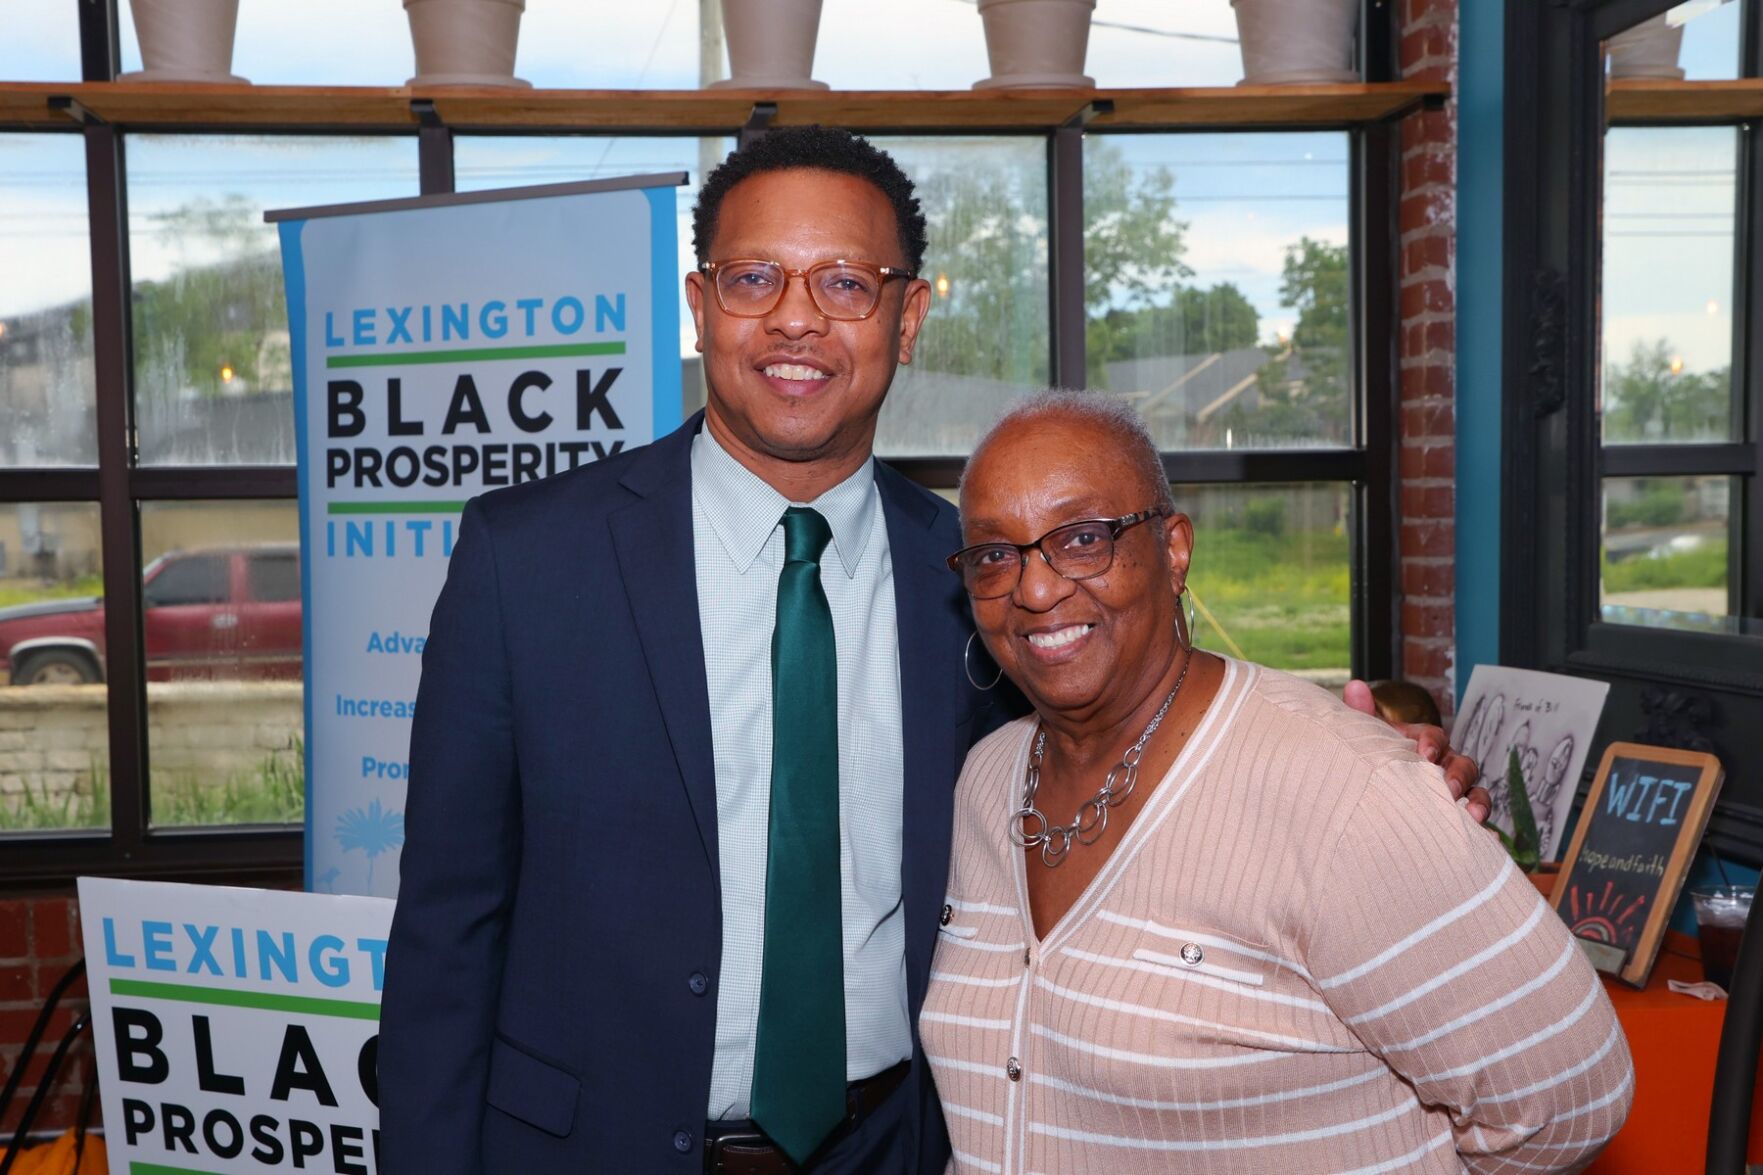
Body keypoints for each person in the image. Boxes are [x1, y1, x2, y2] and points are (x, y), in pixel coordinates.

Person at [379, 128, 1486, 1173]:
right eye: (754, 278)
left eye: (844, 284)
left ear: (906, 320)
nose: (795, 321)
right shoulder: (526, 559)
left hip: (896, 1145)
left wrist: (1360, 774)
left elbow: (1133, 742)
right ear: (701, 306)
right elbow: (446, 928)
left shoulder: (983, 577)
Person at [924, 392, 1633, 1173]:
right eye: (993, 555)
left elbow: (1571, 1097)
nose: (1032, 588)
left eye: (1083, 537)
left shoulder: (1348, 792)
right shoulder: (987, 779)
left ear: (1173, 550)